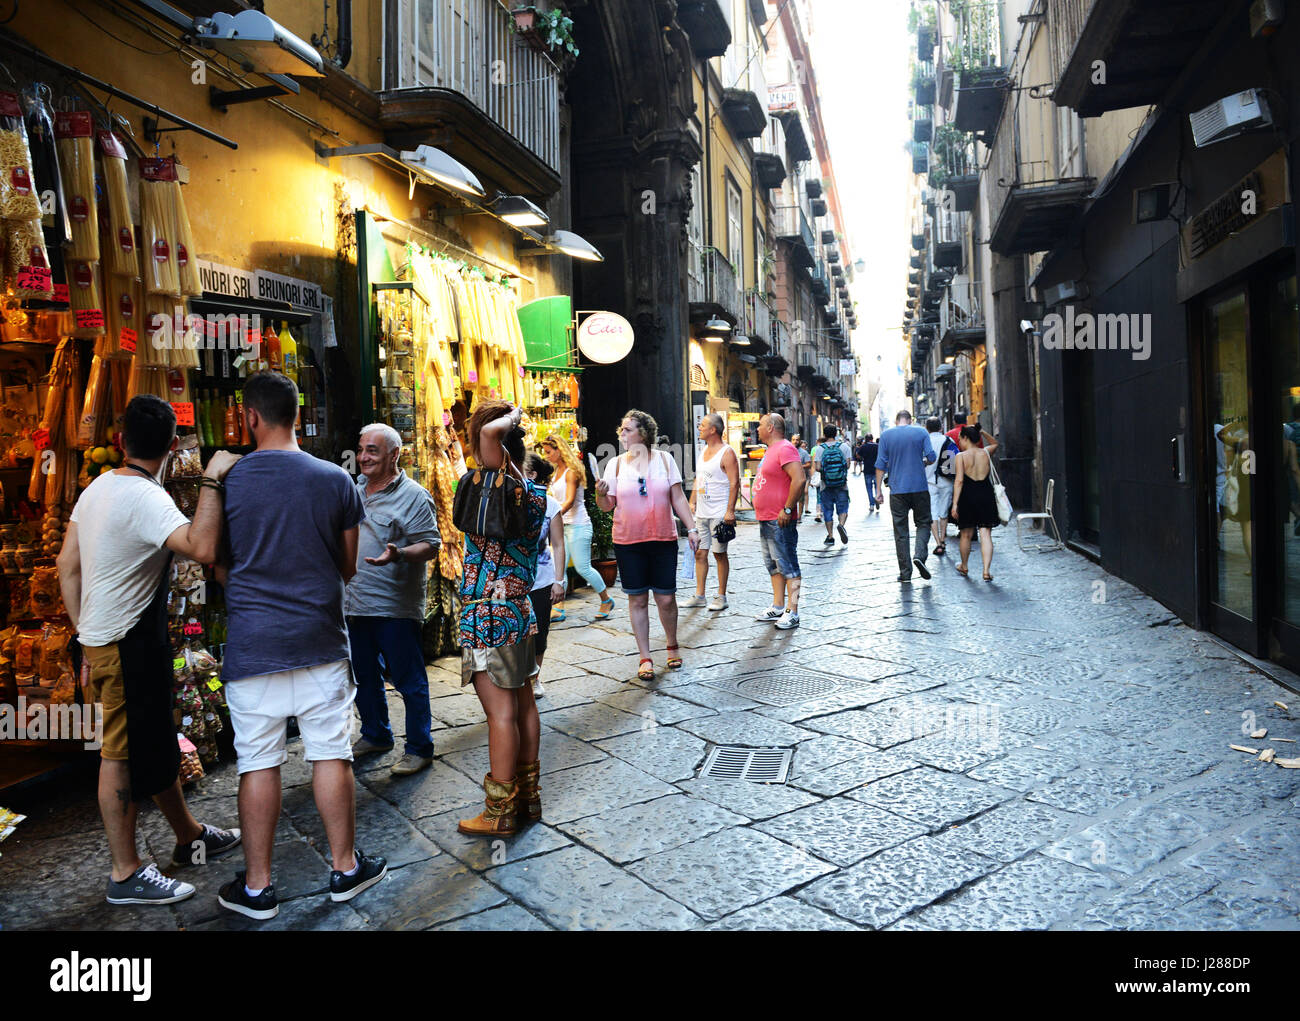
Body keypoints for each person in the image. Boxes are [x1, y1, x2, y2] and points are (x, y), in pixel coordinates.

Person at [57, 395, 241, 907]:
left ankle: (189, 836)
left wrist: (83, 632)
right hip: (122, 641)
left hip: (113, 637)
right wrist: (211, 479)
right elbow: (202, 548)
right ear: (172, 447)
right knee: (119, 754)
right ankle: (126, 873)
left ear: (121, 442)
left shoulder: (96, 489)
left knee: (155, 736)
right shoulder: (146, 496)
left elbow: (65, 566)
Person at [215, 371, 386, 920]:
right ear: (296, 414)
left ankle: (259, 887)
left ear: (251, 417)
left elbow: (213, 561)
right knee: (331, 753)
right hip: (319, 639)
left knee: (257, 763)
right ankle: (344, 868)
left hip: (253, 644)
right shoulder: (335, 478)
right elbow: (349, 567)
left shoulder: (230, 481)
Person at [457, 401, 548, 835]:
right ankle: (528, 799)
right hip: (519, 609)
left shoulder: (500, 481)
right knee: (523, 703)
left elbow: (493, 436)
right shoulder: (532, 493)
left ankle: (499, 812)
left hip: (487, 613)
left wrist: (510, 416)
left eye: (476, 437)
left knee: (500, 714)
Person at [346, 423, 441, 776]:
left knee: (408, 679)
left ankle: (419, 747)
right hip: (354, 604)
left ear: (394, 454)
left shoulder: (414, 495)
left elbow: (431, 545)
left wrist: (399, 553)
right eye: (361, 449)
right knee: (363, 676)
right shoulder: (353, 490)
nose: (363, 457)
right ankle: (376, 733)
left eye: (372, 450)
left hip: (393, 607)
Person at [595, 409, 699, 680]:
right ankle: (645, 656)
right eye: (622, 429)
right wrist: (600, 493)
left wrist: (693, 528)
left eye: (627, 429)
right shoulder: (615, 464)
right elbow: (607, 507)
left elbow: (678, 498)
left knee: (666, 598)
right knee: (638, 599)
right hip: (629, 541)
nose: (622, 434)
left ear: (643, 433)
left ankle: (672, 644)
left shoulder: (664, 460)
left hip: (663, 538)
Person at [541, 433, 614, 623]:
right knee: (559, 568)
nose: (547, 456)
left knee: (583, 567)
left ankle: (606, 600)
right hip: (562, 526)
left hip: (578, 525)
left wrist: (551, 517)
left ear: (559, 450)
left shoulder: (571, 472)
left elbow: (570, 500)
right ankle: (558, 608)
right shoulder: (556, 472)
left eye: (549, 452)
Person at [752, 413, 806, 629]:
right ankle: (777, 606)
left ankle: (793, 612)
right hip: (766, 517)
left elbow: (799, 479)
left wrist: (787, 508)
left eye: (761, 425)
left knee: (788, 565)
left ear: (771, 427)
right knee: (773, 565)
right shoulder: (771, 450)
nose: (757, 428)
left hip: (779, 518)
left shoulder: (785, 448)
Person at [684, 412, 739, 611]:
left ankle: (721, 596)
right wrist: (692, 501)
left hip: (719, 512)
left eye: (703, 425)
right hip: (702, 513)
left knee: (719, 554)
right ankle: (700, 595)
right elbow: (700, 479)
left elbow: (734, 483)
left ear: (713, 430)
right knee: (700, 553)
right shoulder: (703, 451)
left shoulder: (727, 452)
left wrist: (730, 511)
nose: (699, 427)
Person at [876, 409, 936, 582]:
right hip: (919, 488)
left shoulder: (886, 435)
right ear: (910, 420)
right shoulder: (921, 432)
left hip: (897, 490)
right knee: (924, 523)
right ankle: (920, 555)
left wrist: (878, 491)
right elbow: (931, 456)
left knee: (901, 531)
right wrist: (923, 461)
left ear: (896, 421)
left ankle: (905, 573)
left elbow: (881, 464)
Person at [524, 453, 567, 678]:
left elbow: (558, 545)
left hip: (542, 578)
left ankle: (535, 678)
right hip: (515, 581)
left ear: (532, 475)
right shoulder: (508, 502)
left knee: (540, 633)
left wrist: (559, 581)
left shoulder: (550, 505)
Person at [952, 423, 1002, 581]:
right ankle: (986, 571)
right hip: (985, 494)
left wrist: (954, 504)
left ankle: (964, 566)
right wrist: (982, 431)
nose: (959, 442)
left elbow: (959, 481)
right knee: (985, 533)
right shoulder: (986, 453)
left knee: (966, 534)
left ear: (966, 438)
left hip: (968, 495)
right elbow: (995, 443)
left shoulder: (960, 456)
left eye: (960, 439)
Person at [812, 424, 853, 546]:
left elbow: (818, 467)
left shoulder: (820, 449)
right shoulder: (844, 447)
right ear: (836, 434)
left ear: (824, 435)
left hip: (826, 484)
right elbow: (848, 465)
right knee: (843, 508)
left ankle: (830, 536)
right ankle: (841, 525)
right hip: (841, 483)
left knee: (828, 510)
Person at [926, 416, 957, 556]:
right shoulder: (948, 440)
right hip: (946, 481)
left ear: (927, 428)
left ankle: (938, 542)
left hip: (929, 482)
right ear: (941, 427)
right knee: (943, 512)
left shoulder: (924, 441)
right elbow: (955, 460)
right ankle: (943, 539)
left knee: (932, 513)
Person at [858, 433, 880, 511]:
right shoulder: (877, 446)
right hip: (876, 469)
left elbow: (858, 456)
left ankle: (871, 504)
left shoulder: (863, 447)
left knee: (869, 488)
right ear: (872, 438)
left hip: (867, 469)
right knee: (877, 487)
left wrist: (863, 458)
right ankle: (877, 498)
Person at [792, 435, 813, 519]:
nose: (795, 441)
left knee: (800, 497)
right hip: (790, 478)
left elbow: (809, 464)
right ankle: (792, 514)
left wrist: (799, 466)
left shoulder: (803, 453)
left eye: (797, 440)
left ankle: (799, 515)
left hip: (801, 478)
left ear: (799, 441)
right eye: (793, 440)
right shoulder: (787, 451)